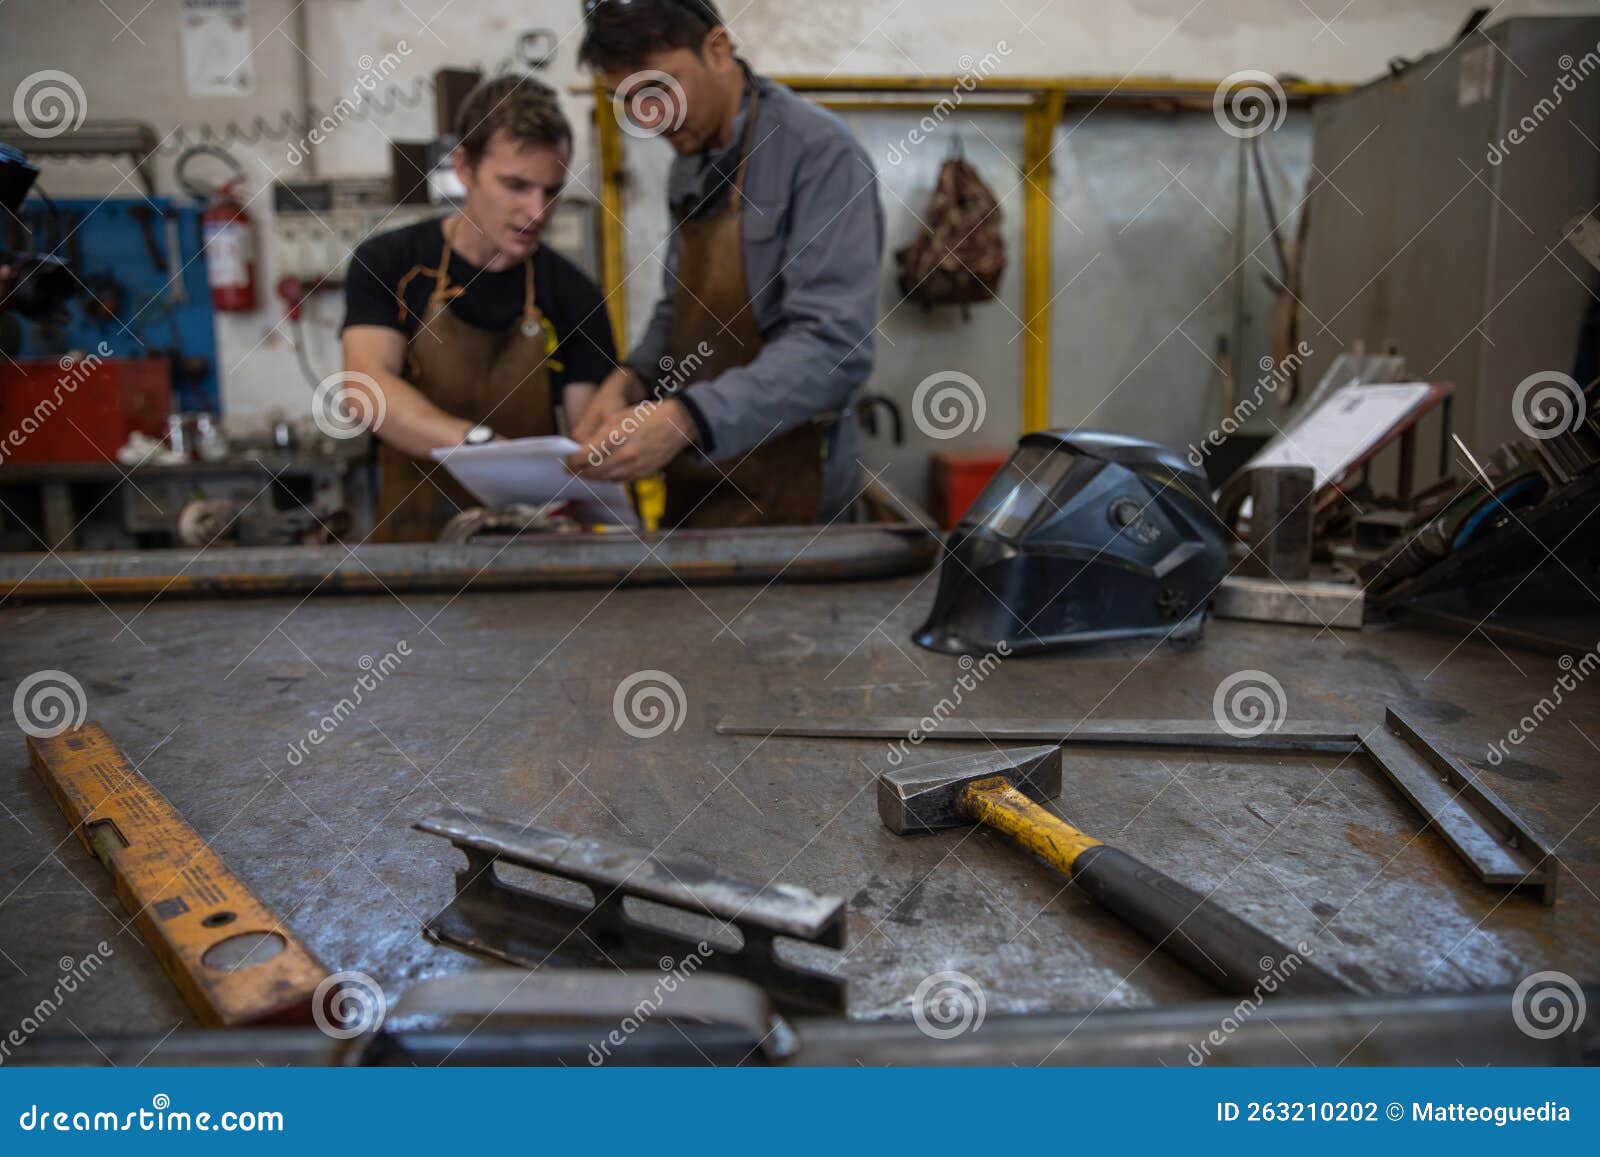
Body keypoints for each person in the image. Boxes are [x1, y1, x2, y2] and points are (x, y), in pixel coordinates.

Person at [569, 0, 884, 527]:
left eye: (661, 88)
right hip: (701, 486)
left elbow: (833, 348)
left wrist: (687, 418)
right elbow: (679, 308)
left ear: (718, 50)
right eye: (629, 101)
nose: (650, 118)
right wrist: (631, 380)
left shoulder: (820, 155)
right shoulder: (688, 164)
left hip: (796, 497)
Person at [342, 75, 617, 542]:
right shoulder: (389, 263)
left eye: (550, 191)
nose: (536, 212)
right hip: (411, 553)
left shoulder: (574, 293)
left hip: (528, 552)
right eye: (515, 186)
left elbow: (585, 434)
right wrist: (480, 447)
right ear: (464, 167)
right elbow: (366, 389)